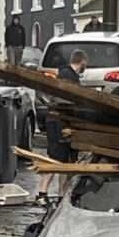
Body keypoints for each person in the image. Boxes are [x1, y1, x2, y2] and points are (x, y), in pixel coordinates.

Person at [35, 49, 88, 205]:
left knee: (65, 161)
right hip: (59, 122)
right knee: (56, 158)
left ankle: (62, 195)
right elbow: (67, 100)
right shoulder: (68, 75)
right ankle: (42, 193)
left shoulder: (66, 73)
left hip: (62, 121)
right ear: (82, 62)